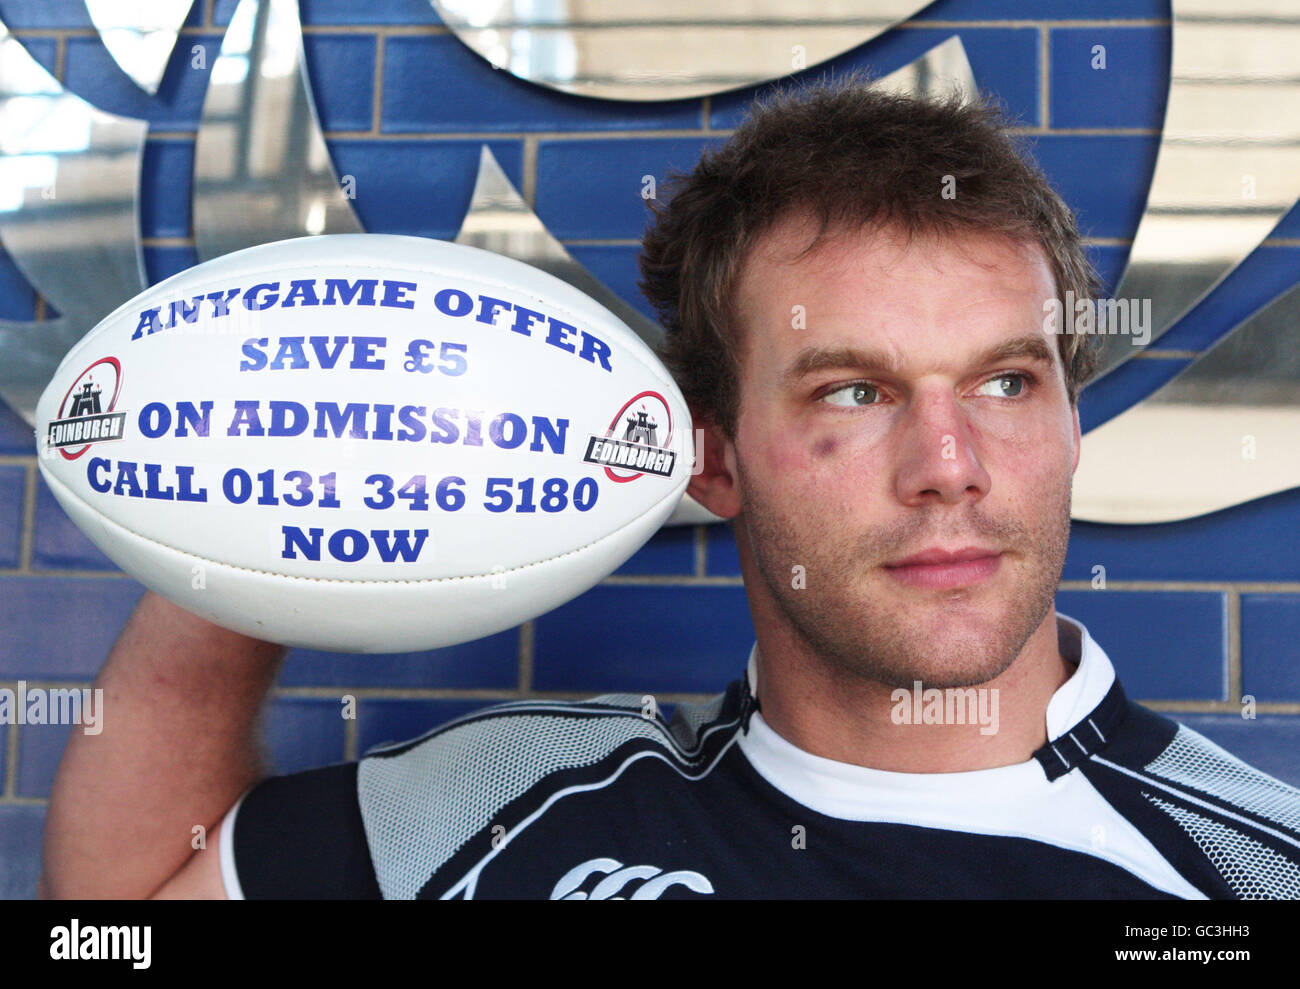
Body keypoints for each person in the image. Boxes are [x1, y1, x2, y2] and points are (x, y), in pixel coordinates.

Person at [41, 77, 1300, 900]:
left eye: (1007, 382)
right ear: (712, 455)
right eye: (852, 391)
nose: (949, 466)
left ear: (1072, 418)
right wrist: (253, 501)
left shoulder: (1252, 872)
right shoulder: (494, 805)